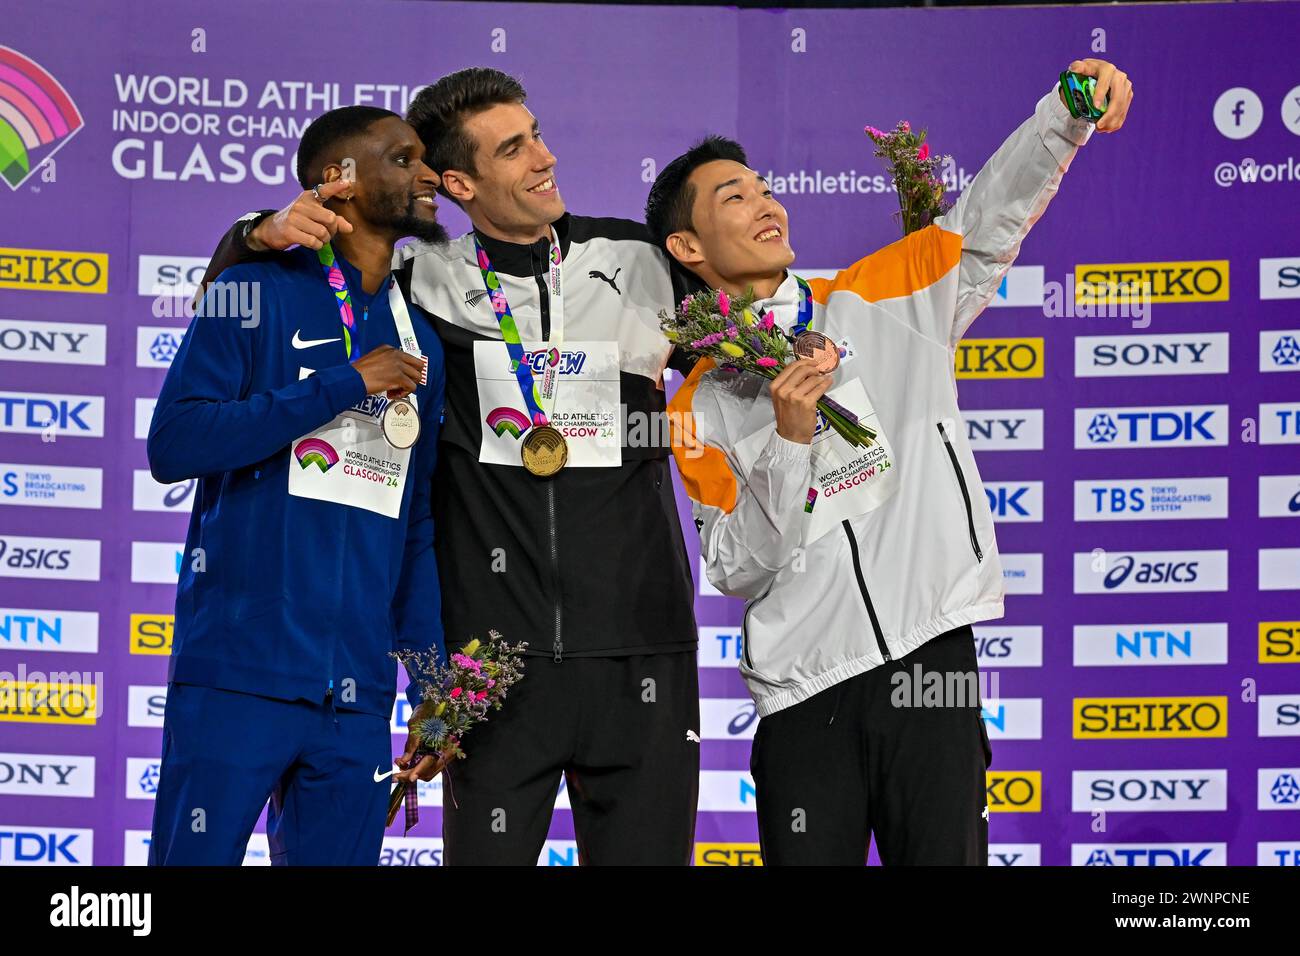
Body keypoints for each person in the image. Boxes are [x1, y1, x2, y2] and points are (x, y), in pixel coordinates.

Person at [197, 69, 701, 865]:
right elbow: (243, 301)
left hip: (642, 652)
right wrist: (253, 230)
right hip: (493, 671)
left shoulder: (638, 257)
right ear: (460, 181)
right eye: (515, 147)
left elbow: (754, 311)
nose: (545, 156)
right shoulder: (415, 284)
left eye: (535, 132)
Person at [651, 60, 1132, 865]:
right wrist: (788, 443)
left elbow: (986, 221)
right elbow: (737, 568)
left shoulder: (882, 294)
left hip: (930, 664)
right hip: (804, 693)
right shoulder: (697, 401)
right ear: (687, 245)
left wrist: (1066, 113)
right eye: (733, 197)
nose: (765, 203)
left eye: (763, 187)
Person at [147, 106, 450, 865]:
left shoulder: (423, 342)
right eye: (402, 158)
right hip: (238, 676)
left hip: (355, 698)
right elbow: (175, 443)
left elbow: (414, 529)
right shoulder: (252, 288)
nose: (428, 174)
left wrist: (432, 689)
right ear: (337, 182)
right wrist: (342, 383)